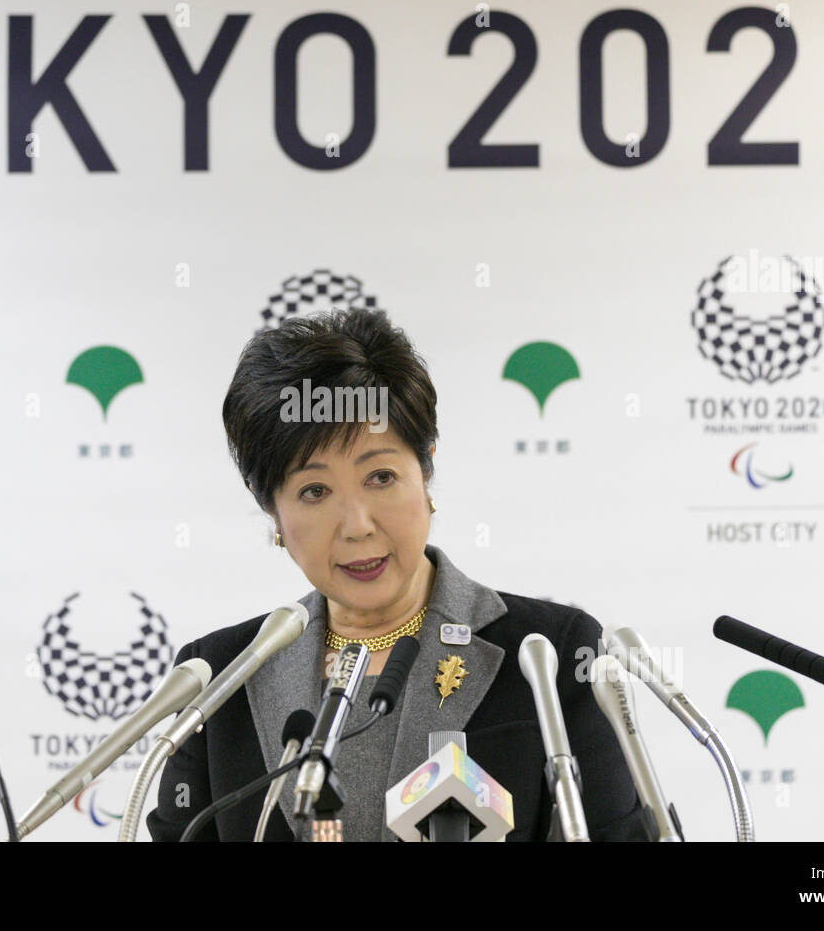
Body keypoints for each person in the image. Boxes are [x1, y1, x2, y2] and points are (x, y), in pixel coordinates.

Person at [146, 308, 649, 841]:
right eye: (315, 492)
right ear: (272, 512)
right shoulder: (221, 677)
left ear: (426, 469)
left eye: (381, 476)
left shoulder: (548, 654)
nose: (357, 526)